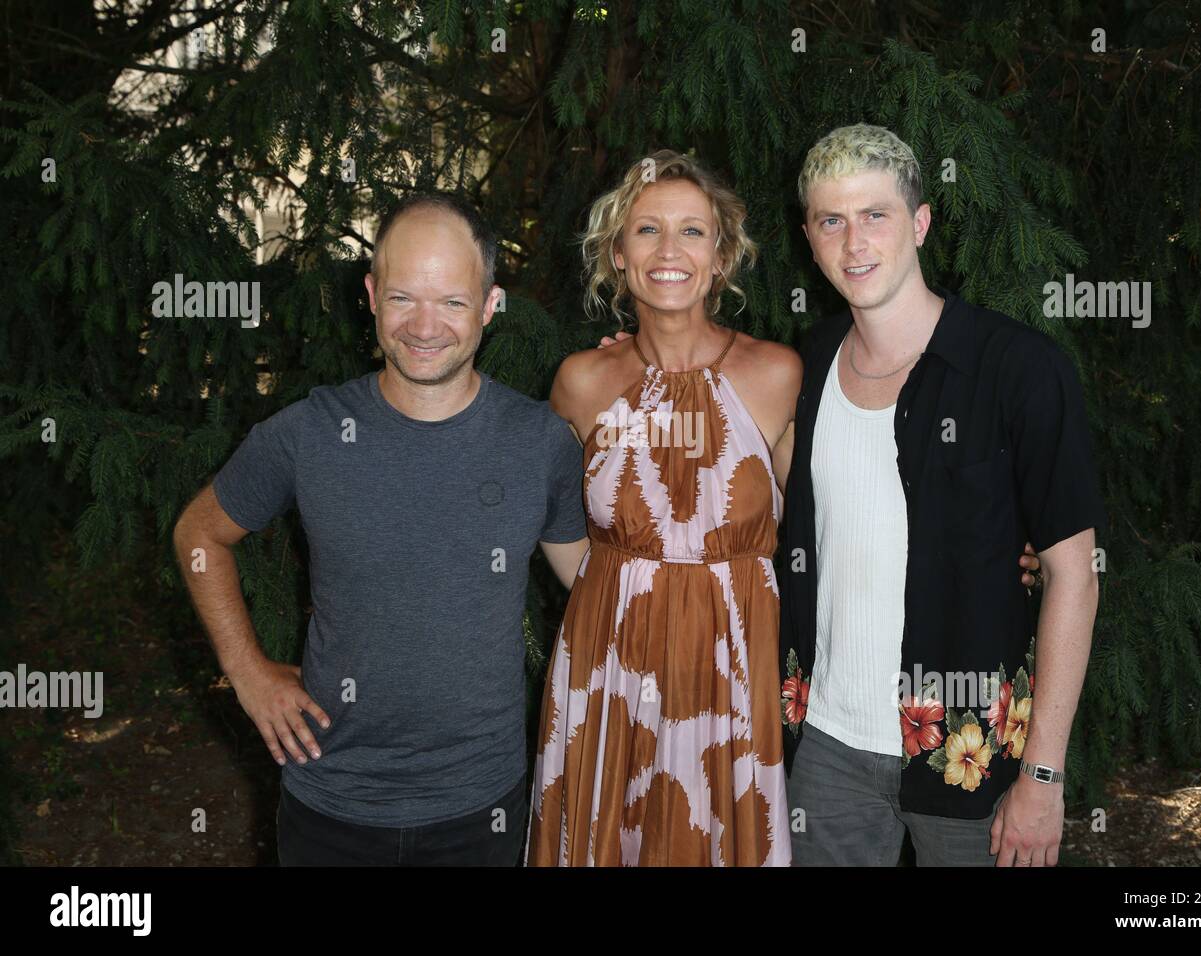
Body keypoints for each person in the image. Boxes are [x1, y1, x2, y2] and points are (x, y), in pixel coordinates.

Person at [172, 192, 591, 866]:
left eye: (453, 301)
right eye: (403, 298)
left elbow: (598, 587)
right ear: (370, 295)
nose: (425, 326)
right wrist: (245, 669)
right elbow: (199, 533)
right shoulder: (311, 431)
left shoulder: (538, 442)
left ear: (489, 306)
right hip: (331, 799)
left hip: (481, 807)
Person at [779, 124, 1105, 866]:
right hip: (824, 751)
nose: (854, 241)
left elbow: (1073, 577)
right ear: (809, 235)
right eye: (832, 220)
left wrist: (1043, 778)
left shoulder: (1018, 369)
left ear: (920, 222)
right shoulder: (804, 364)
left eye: (876, 214)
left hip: (974, 756)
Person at [525, 149, 804, 866]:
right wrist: (624, 593)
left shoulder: (777, 374)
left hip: (734, 670)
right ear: (618, 256)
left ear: (722, 256)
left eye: (692, 231)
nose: (669, 250)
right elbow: (554, 528)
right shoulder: (582, 381)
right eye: (647, 231)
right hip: (608, 668)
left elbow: (825, 522)